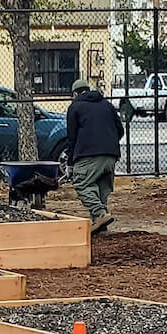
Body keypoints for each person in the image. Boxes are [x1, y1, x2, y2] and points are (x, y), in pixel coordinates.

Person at [58, 80, 125, 234]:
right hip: (111, 155)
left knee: (81, 183)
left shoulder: (75, 107)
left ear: (75, 93)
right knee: (102, 188)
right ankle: (100, 224)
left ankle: (100, 214)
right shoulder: (107, 105)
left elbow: (72, 137)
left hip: (88, 154)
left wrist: (70, 163)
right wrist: (108, 144)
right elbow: (120, 130)